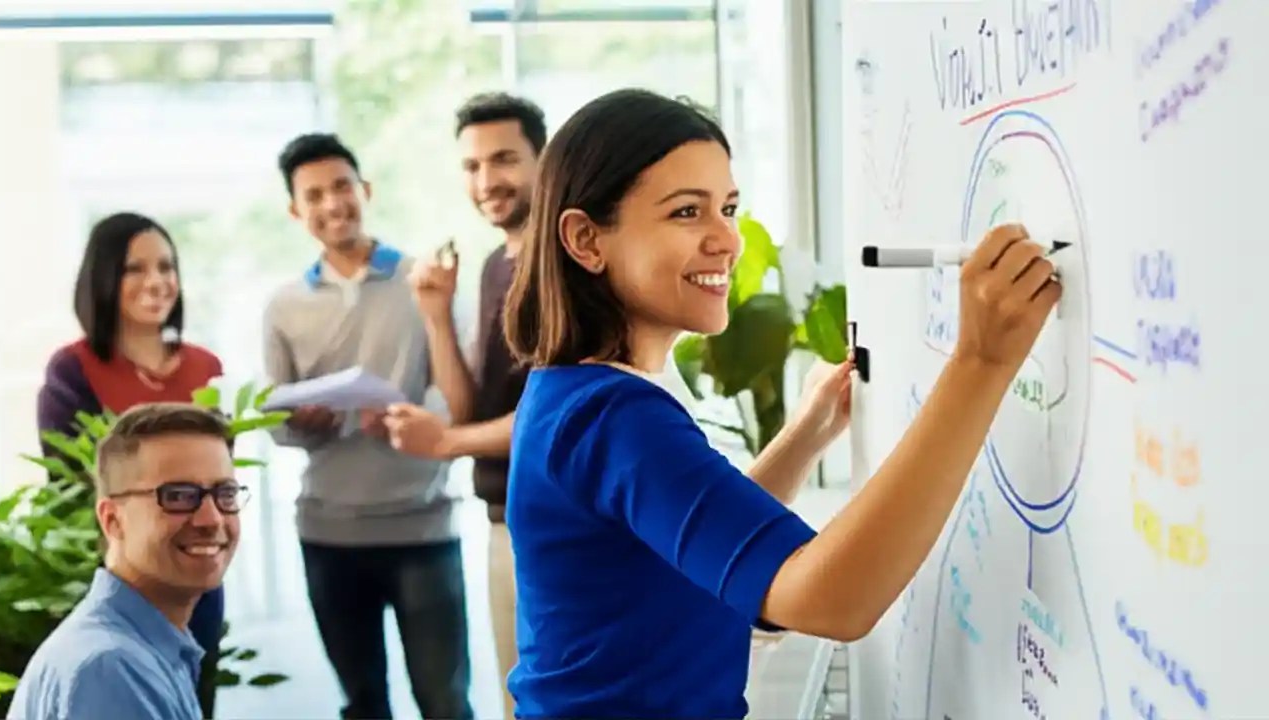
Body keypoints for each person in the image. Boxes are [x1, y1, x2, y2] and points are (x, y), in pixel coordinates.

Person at [497, 88, 1063, 718]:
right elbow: (835, 601)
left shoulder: (575, 392)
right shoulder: (612, 416)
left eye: (728, 208)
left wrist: (806, 435)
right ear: (585, 239)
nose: (728, 240)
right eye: (687, 212)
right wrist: (981, 362)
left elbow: (700, 540)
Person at [263, 132, 474, 720]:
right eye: (314, 195)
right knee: (362, 705)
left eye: (342, 187)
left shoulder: (424, 282)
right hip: (328, 535)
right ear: (295, 211)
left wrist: (420, 420)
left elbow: (458, 396)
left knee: (445, 703)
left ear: (366, 190)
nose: (332, 204)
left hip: (423, 528)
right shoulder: (282, 306)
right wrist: (305, 423)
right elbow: (274, 422)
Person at [386, 91, 544, 719]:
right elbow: (471, 409)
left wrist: (446, 445)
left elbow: (553, 417)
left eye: (503, 159)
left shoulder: (562, 266)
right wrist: (434, 313)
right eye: (472, 166)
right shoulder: (495, 266)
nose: (486, 182)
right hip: (503, 518)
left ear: (544, 159)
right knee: (516, 701)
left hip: (554, 522)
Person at [34, 211, 227, 715]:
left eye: (166, 266)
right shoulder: (73, 369)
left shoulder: (204, 366)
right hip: (120, 569)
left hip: (196, 567)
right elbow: (67, 484)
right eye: (134, 268)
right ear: (103, 278)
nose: (156, 281)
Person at [8, 403, 244, 720]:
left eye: (225, 494)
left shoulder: (142, 644)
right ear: (112, 519)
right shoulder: (110, 670)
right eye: (177, 496)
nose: (211, 519)